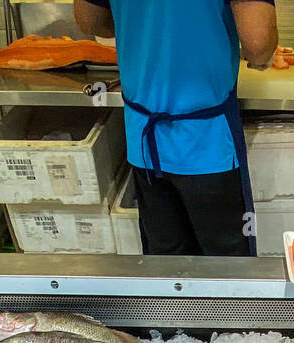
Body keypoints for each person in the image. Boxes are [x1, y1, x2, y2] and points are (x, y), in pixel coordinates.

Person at [73, 0, 277, 257]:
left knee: (166, 267)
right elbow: (258, 44)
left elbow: (90, 21)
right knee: (227, 270)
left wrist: (146, 28)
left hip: (145, 144)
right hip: (208, 145)